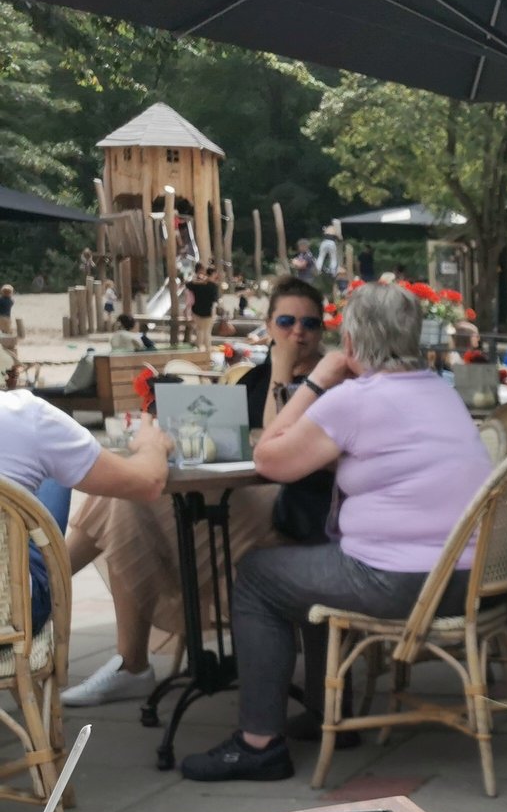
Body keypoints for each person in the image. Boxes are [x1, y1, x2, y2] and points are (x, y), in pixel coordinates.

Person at [179, 280, 493, 781]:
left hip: (400, 582)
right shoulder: (440, 389)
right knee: (308, 559)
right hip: (473, 583)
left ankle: (259, 742)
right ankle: (333, 714)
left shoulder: (354, 399)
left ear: (348, 344)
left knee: (260, 576)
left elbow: (270, 459)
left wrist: (318, 379)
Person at [60, 280, 329, 708]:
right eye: (287, 321)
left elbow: (278, 446)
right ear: (269, 325)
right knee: (127, 498)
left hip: (292, 515)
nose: (299, 332)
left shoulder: (326, 380)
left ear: (322, 329)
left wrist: (281, 370)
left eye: (310, 323)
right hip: (244, 497)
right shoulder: (254, 378)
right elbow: (226, 441)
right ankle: (54, 585)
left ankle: (50, 587)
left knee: (129, 497)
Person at [0, 387, 172, 641]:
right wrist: (152, 446)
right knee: (65, 463)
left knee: (67, 465)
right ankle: (132, 664)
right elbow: (149, 483)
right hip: (13, 619)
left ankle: (132, 667)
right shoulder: (23, 414)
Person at [184, 265, 221, 350]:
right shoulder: (213, 286)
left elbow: (188, 284)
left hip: (196, 311)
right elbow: (214, 301)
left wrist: (199, 281)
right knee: (207, 332)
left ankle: (199, 349)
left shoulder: (198, 284)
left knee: (199, 330)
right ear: (213, 274)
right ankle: (207, 351)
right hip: (208, 312)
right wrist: (214, 312)